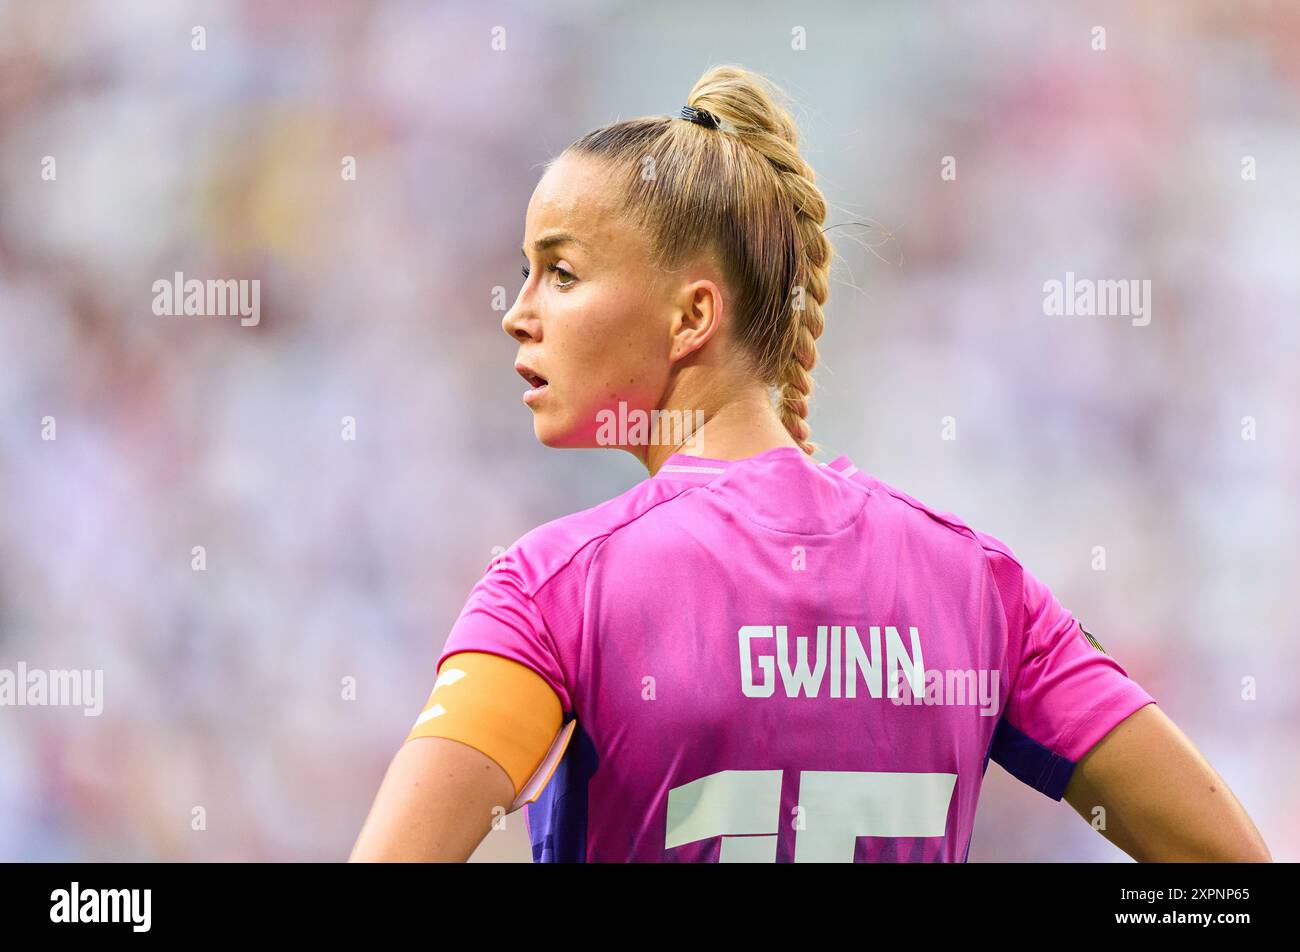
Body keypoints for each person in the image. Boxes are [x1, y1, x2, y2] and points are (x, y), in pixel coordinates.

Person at [350, 65, 1271, 863]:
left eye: (561, 273)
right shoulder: (977, 586)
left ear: (691, 317)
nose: (517, 314)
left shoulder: (553, 589)